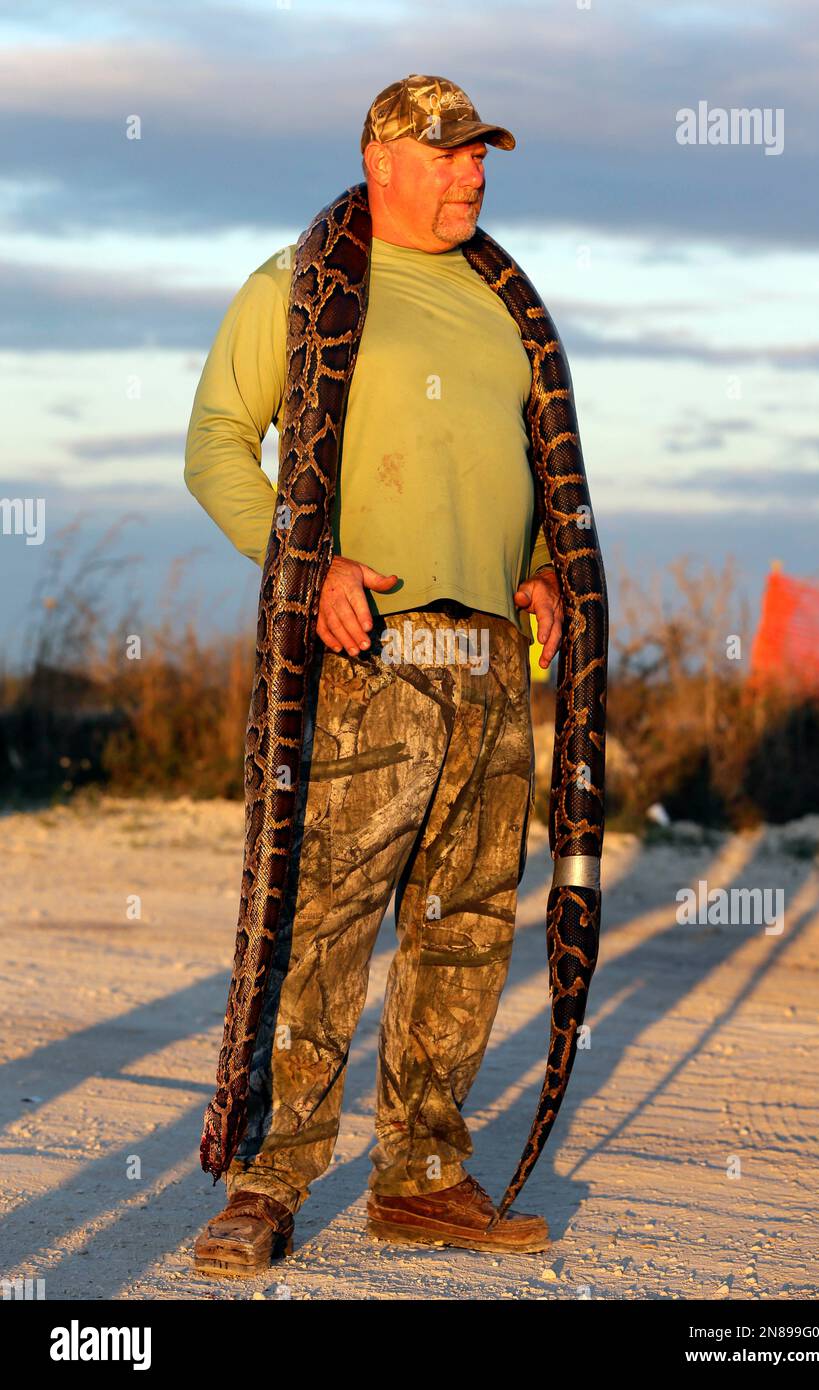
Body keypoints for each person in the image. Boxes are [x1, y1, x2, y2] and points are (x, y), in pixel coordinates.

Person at [184, 74, 564, 1277]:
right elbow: (215, 448)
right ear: (382, 156)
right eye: (450, 156)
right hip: (369, 655)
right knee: (325, 922)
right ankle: (269, 1176)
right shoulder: (300, 286)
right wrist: (307, 567)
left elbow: (534, 466)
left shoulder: (507, 303)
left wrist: (548, 568)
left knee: (466, 927)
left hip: (495, 663)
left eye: (481, 156)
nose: (474, 175)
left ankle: (421, 1176)